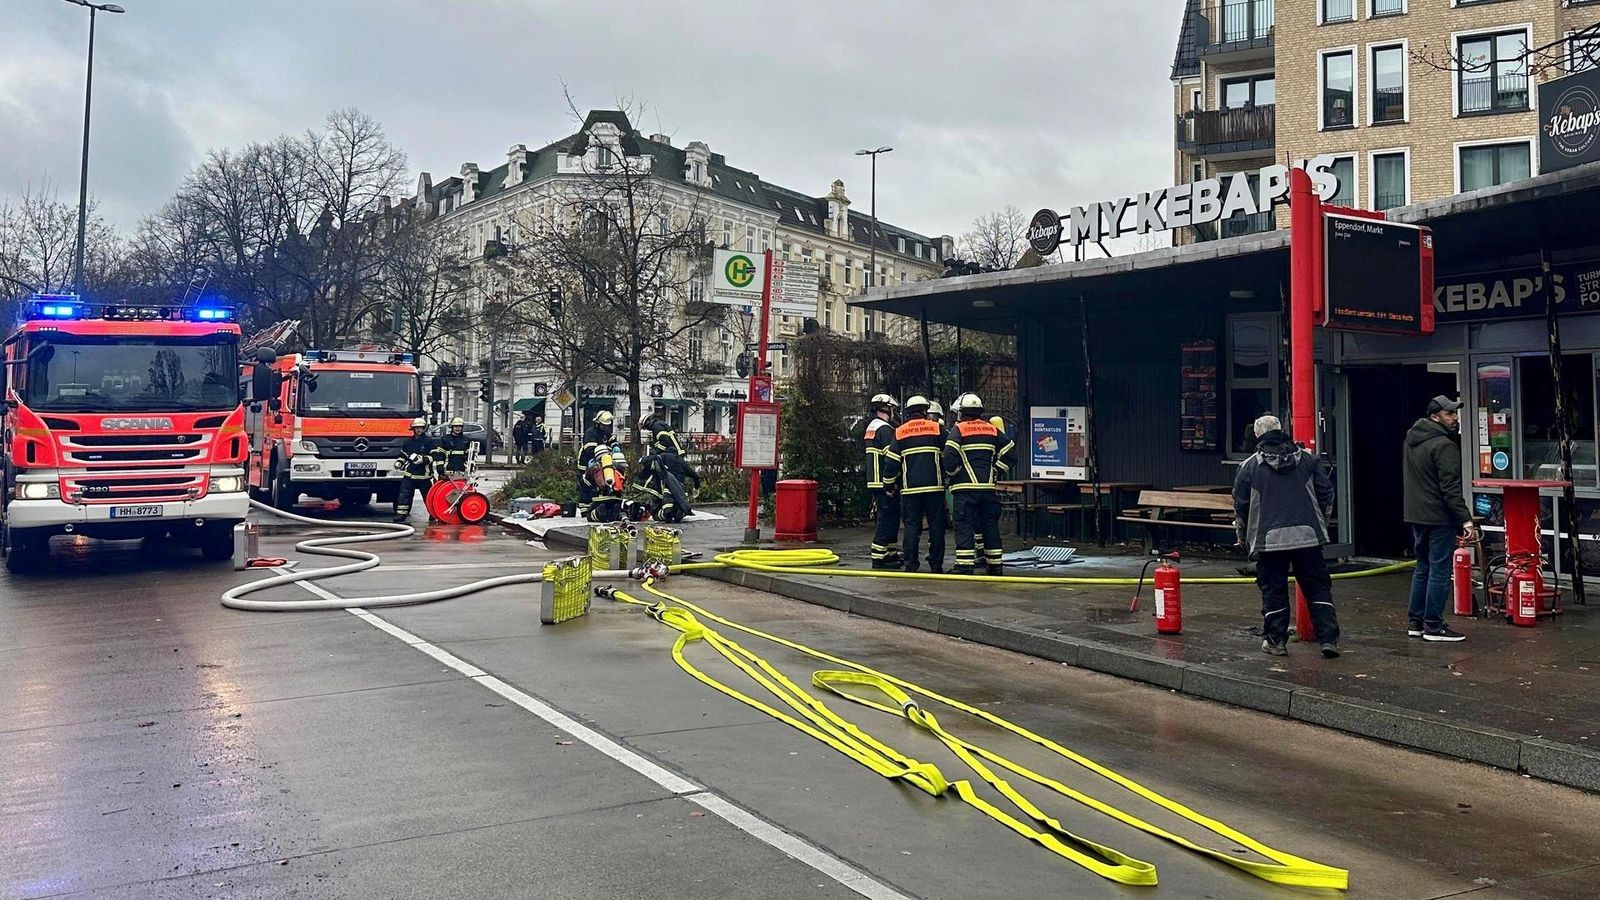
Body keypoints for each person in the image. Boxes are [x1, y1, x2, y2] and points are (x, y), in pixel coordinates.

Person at [1232, 414, 1341, 658]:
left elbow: (1241, 506)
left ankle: (1276, 641)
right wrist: (1320, 524)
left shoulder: (1248, 467)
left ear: (1258, 436)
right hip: (1308, 537)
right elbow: (1326, 495)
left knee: (1274, 591)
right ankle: (1328, 640)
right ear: (1283, 430)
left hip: (1269, 541)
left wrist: (1243, 538)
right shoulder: (1308, 460)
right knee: (1318, 589)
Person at [1403, 395, 1476, 642]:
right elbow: (1450, 488)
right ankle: (1433, 625)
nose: (1455, 418)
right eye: (1449, 414)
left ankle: (1416, 621)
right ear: (1435, 417)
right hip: (1439, 516)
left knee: (1422, 566)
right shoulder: (1444, 446)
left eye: (1454, 413)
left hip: (1417, 515)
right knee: (1439, 570)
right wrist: (1465, 520)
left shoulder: (1412, 440)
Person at [945, 393, 1013, 575]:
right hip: (988, 490)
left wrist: (954, 473)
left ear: (962, 413)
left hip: (965, 489)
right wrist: (996, 469)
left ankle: (964, 565)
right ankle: (995, 564)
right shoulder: (991, 429)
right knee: (989, 525)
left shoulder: (958, 430)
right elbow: (1010, 452)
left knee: (964, 525)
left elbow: (949, 457)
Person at [885, 395, 947, 573]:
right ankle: (936, 565)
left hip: (910, 489)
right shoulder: (937, 429)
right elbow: (949, 454)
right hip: (934, 488)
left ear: (908, 412)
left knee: (912, 527)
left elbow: (891, 463)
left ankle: (911, 564)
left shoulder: (900, 432)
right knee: (936, 526)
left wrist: (888, 485)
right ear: (925, 411)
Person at [863, 393, 902, 569]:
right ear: (887, 408)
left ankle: (890, 552)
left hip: (875, 480)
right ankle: (879, 557)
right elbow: (891, 458)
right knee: (886, 519)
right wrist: (892, 481)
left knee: (890, 517)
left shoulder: (873, 426)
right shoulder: (885, 429)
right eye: (892, 409)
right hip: (884, 481)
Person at [578, 410, 623, 521]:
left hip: (603, 463)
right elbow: (589, 450)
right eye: (604, 425)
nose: (607, 428)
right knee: (587, 486)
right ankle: (585, 510)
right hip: (587, 463)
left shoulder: (606, 432)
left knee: (602, 484)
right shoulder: (591, 433)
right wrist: (605, 451)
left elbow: (613, 441)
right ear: (598, 424)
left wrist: (616, 448)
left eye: (608, 426)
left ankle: (600, 507)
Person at [393, 417, 436, 523]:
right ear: (413, 429)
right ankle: (401, 515)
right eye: (417, 428)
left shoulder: (428, 441)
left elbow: (434, 456)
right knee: (404, 496)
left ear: (424, 429)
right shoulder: (408, 442)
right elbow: (403, 455)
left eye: (421, 428)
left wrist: (424, 459)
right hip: (410, 474)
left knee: (429, 497)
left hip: (424, 476)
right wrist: (399, 462)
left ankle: (433, 514)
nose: (419, 430)